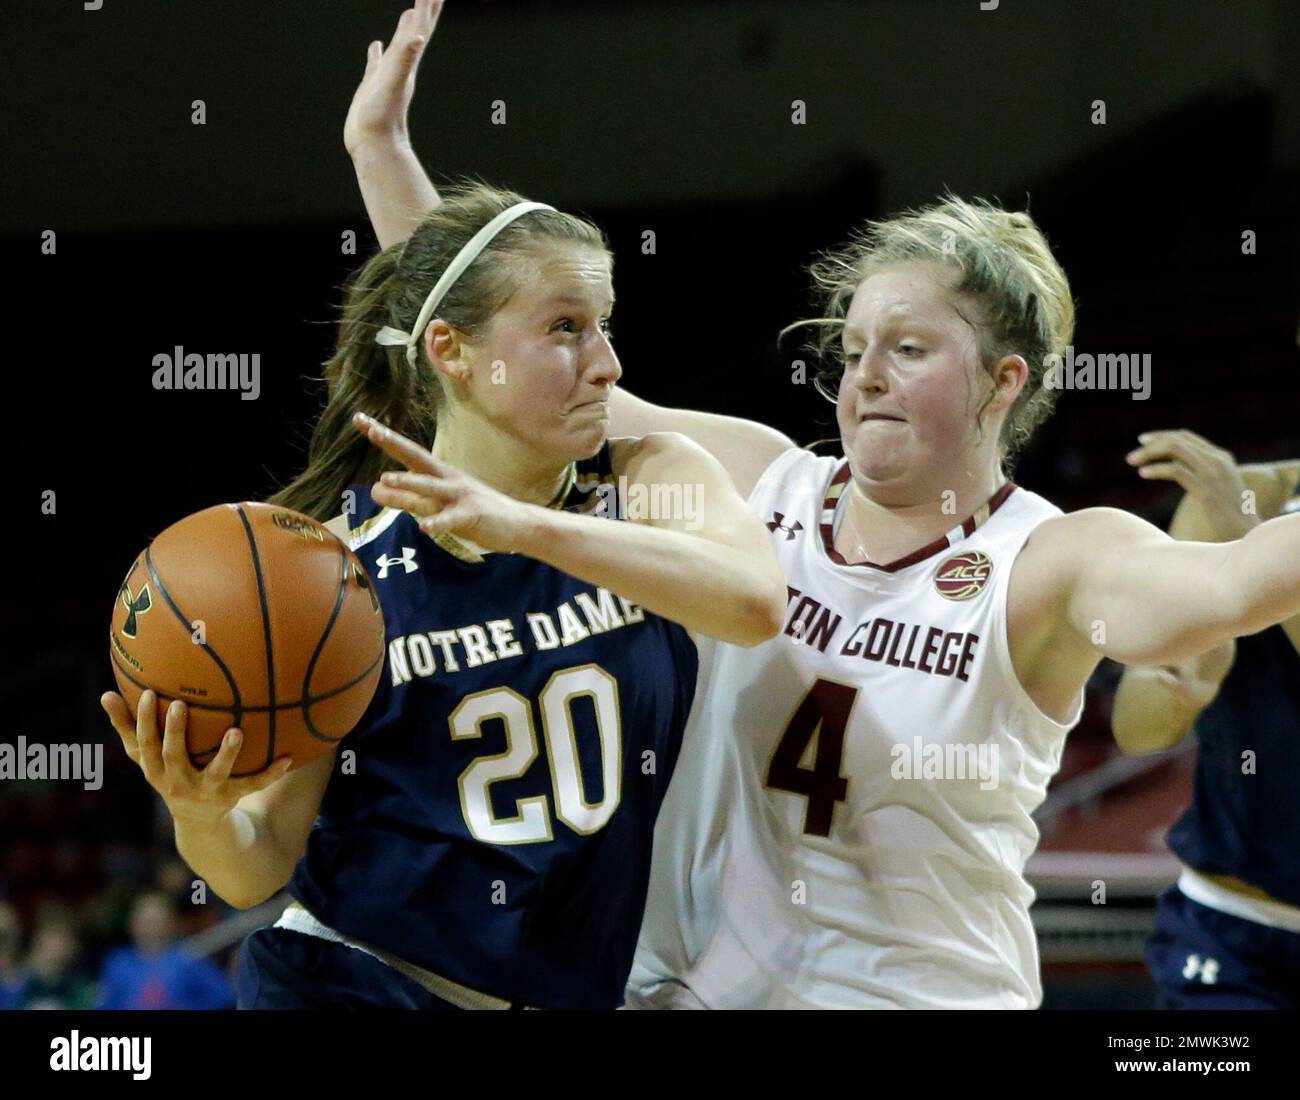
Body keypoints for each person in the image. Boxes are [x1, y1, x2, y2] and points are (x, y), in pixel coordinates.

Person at [348, 1, 1300, 1008]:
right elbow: (529, 367)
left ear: (1003, 382)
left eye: (909, 349)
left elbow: (1231, 579)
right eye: (851, 351)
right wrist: (379, 151)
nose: (865, 378)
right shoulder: (757, 479)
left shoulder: (1050, 562)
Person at [101, 177, 786, 1009]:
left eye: (605, 326)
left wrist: (524, 528)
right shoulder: (340, 575)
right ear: (453, 351)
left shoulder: (648, 479)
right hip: (356, 985)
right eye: (565, 327)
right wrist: (199, 811)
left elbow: (753, 603)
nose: (606, 363)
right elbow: (256, 865)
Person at [1112, 430, 1300, 1008]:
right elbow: (1137, 732)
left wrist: (1248, 539)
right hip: (1233, 930)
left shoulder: (1235, 506)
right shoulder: (1245, 494)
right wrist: (1176, 689)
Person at [97, 891, 234, 1009]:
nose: (150, 927)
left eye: (155, 921)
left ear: (170, 924)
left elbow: (224, 995)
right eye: (145, 921)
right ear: (132, 924)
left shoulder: (187, 959)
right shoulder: (118, 962)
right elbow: (106, 1004)